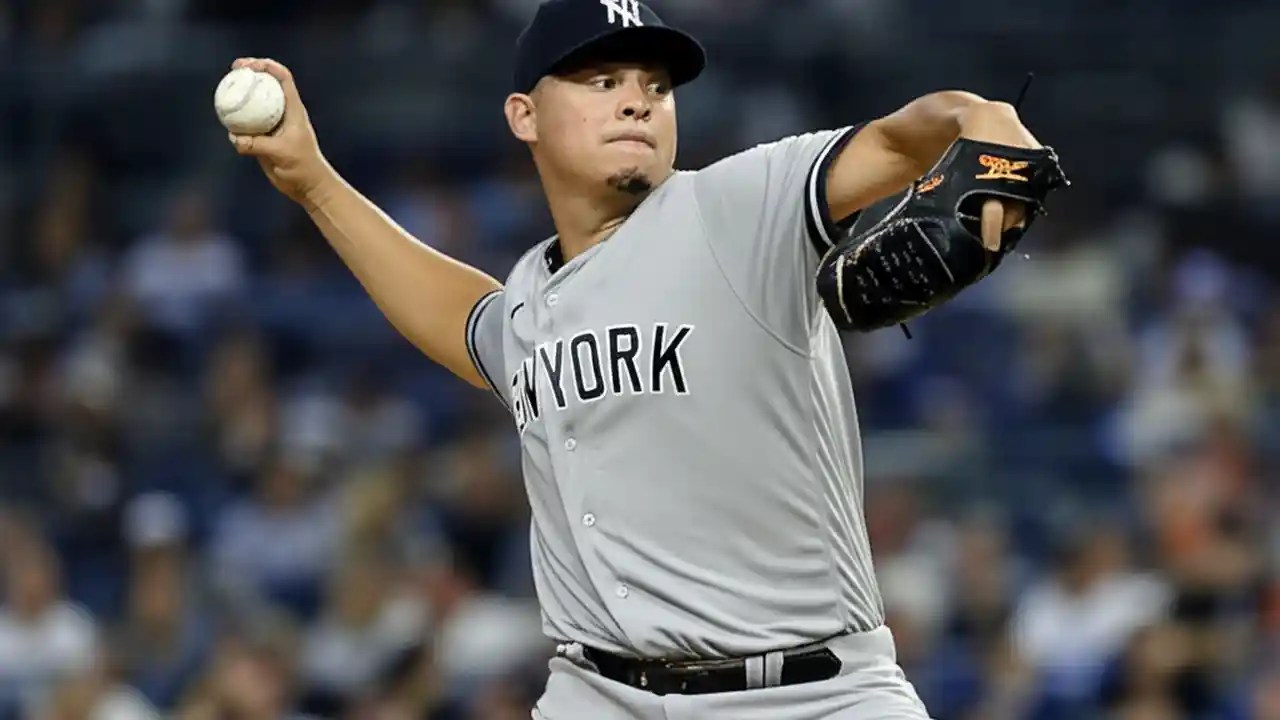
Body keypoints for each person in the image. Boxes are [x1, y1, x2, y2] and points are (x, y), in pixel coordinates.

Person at [226, 1, 1046, 716]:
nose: (637, 102)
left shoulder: (738, 206)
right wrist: (313, 183)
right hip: (598, 695)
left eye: (655, 86)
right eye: (601, 79)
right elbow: (465, 321)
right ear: (524, 115)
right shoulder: (532, 301)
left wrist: (991, 134)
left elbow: (925, 128)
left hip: (810, 695)